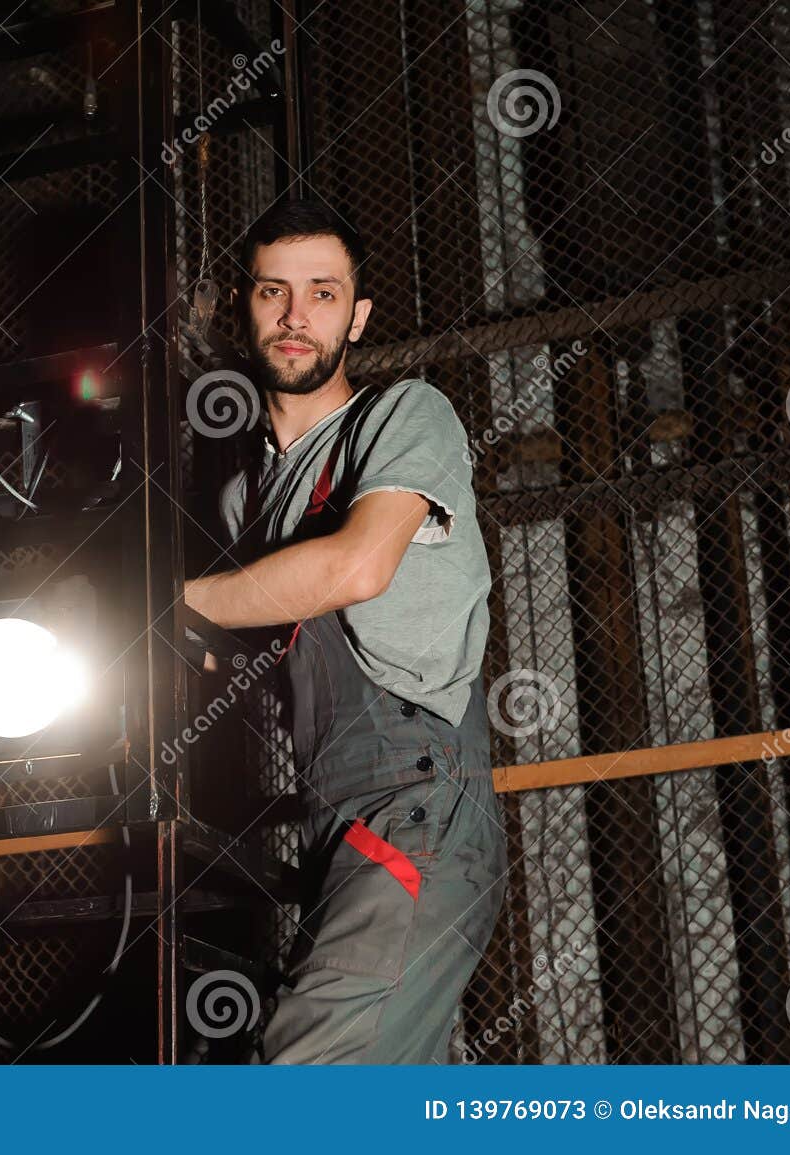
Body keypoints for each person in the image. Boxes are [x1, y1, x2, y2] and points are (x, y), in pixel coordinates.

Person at [183, 199, 507, 1064]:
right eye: (274, 291)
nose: (297, 315)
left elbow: (357, 567)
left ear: (357, 316)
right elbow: (234, 645)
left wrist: (174, 605)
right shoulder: (243, 499)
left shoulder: (402, 415)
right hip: (332, 822)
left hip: (416, 798)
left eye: (323, 293)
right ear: (244, 308)